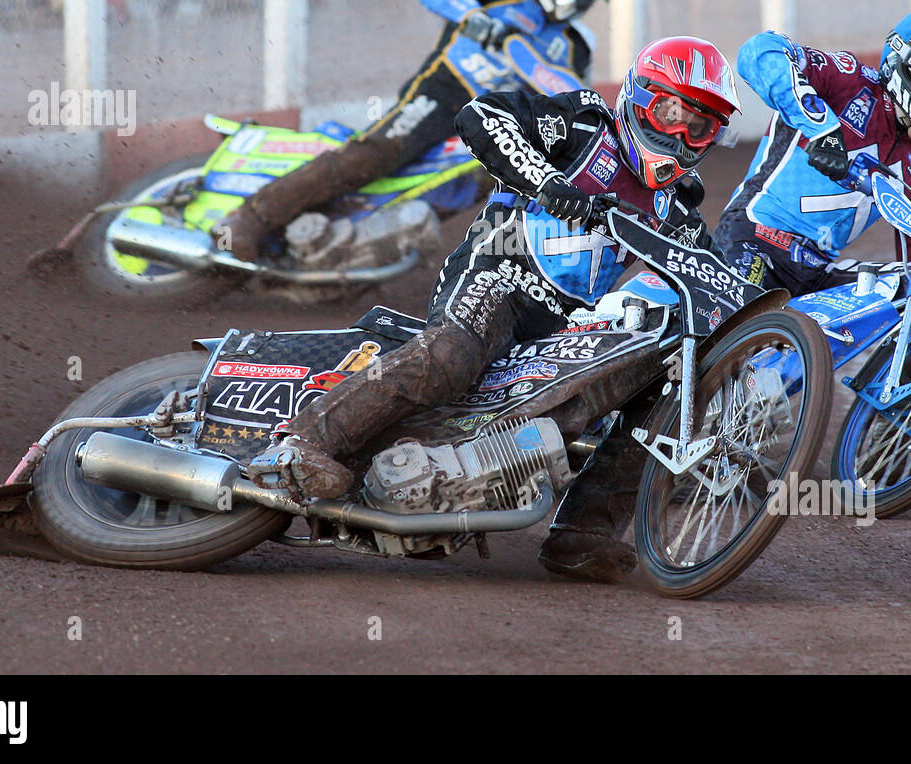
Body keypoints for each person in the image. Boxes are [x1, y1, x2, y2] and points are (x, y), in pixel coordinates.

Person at [246, 35, 742, 582]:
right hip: (497, 277)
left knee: (658, 383)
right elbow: (481, 114)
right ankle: (305, 442)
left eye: (699, 126)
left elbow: (705, 274)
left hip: (562, 326)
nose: (679, 133)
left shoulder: (680, 205)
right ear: (640, 96)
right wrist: (550, 184)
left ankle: (584, 533)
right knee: (453, 355)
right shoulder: (582, 123)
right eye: (671, 111)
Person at [213, 0, 619, 262]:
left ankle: (362, 245)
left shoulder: (577, 44)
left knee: (479, 191)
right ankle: (249, 218)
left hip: (496, 127)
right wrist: (470, 16)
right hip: (446, 91)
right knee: (375, 155)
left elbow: (567, 102)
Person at [715, 6, 911, 297]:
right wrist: (821, 130)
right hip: (754, 237)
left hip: (816, 271)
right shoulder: (850, 81)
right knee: (741, 317)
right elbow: (758, 51)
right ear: (903, 59)